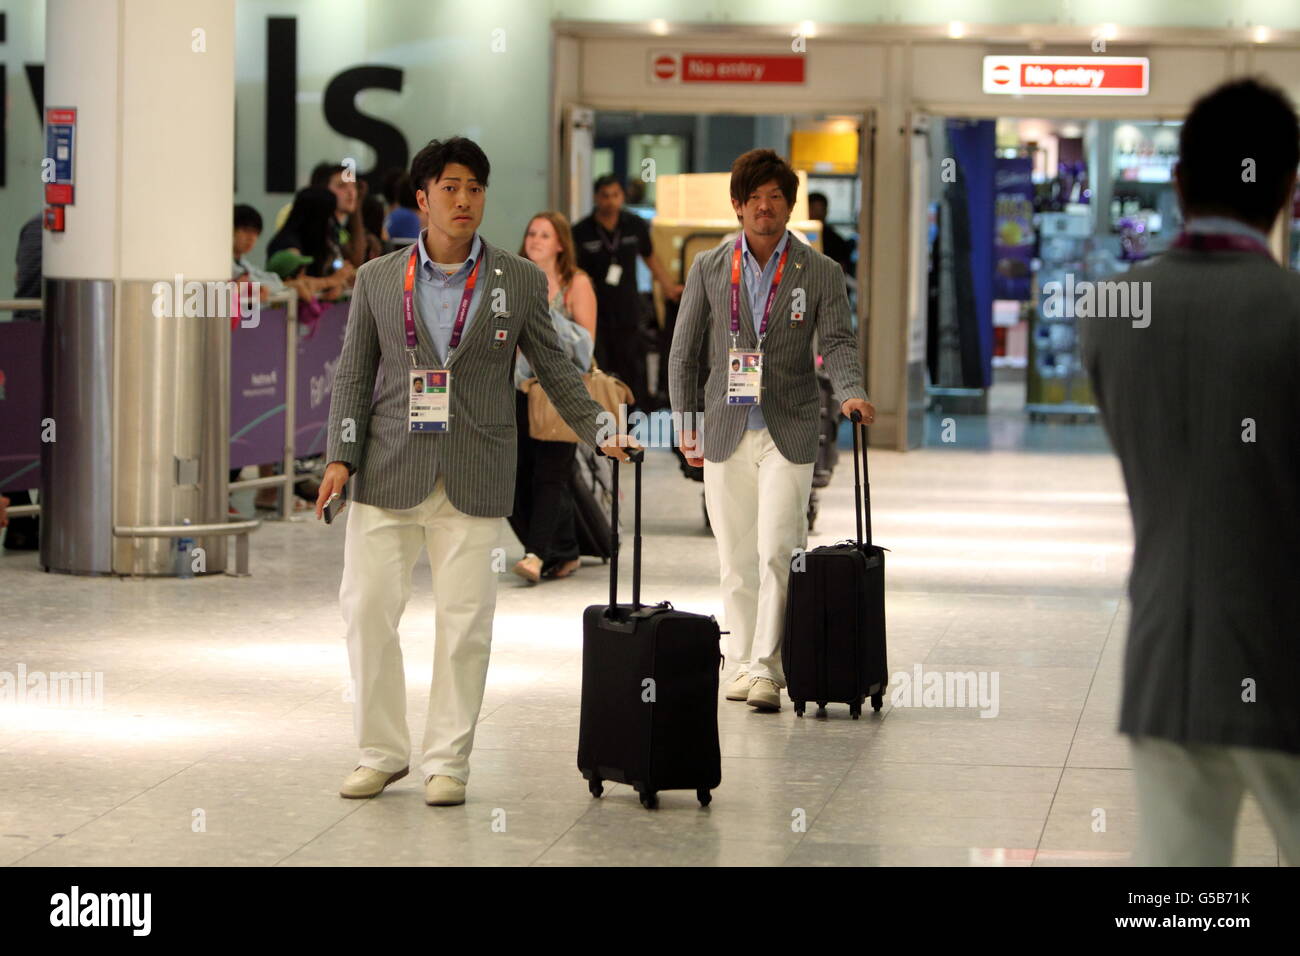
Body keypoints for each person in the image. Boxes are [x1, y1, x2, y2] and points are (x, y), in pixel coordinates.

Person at [316, 136, 637, 807]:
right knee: (367, 611)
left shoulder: (516, 280)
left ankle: (448, 762)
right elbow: (352, 374)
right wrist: (340, 458)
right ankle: (380, 750)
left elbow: (556, 369)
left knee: (465, 623)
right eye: (451, 188)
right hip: (387, 468)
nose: (464, 201)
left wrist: (602, 430)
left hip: (473, 469)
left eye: (475, 188)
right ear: (422, 198)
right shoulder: (379, 278)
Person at [1081, 77, 1300, 866]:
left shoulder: (1110, 315)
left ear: (1178, 184)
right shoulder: (1287, 311)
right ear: (1288, 188)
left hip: (1167, 661)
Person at [669, 148, 874, 712]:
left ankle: (767, 667)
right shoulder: (709, 267)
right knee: (735, 553)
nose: (765, 207)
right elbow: (684, 354)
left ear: (789, 205)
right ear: (738, 206)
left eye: (776, 197)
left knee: (779, 548)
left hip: (790, 424)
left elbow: (836, 341)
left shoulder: (820, 271)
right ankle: (739, 659)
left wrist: (852, 389)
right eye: (754, 198)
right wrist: (685, 424)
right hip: (724, 427)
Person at [510, 211, 597, 584]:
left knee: (550, 474)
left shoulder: (576, 283)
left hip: (560, 391)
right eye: (532, 233)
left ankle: (536, 553)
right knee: (515, 475)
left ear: (560, 243)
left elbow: (586, 342)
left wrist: (542, 315)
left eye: (545, 235)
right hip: (516, 390)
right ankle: (562, 550)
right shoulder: (511, 280)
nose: (536, 241)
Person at [572, 174, 682, 407]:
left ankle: (631, 422)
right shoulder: (581, 231)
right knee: (601, 367)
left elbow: (651, 258)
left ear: (622, 196)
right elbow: (572, 272)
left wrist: (669, 288)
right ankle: (602, 421)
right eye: (605, 196)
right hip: (595, 313)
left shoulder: (634, 225)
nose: (610, 201)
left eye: (615, 195)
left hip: (628, 310)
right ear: (596, 197)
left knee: (632, 368)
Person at [807, 191, 856, 277]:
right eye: (813, 209)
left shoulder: (835, 240)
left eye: (820, 210)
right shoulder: (794, 236)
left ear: (826, 211)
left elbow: (841, 269)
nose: (817, 214)